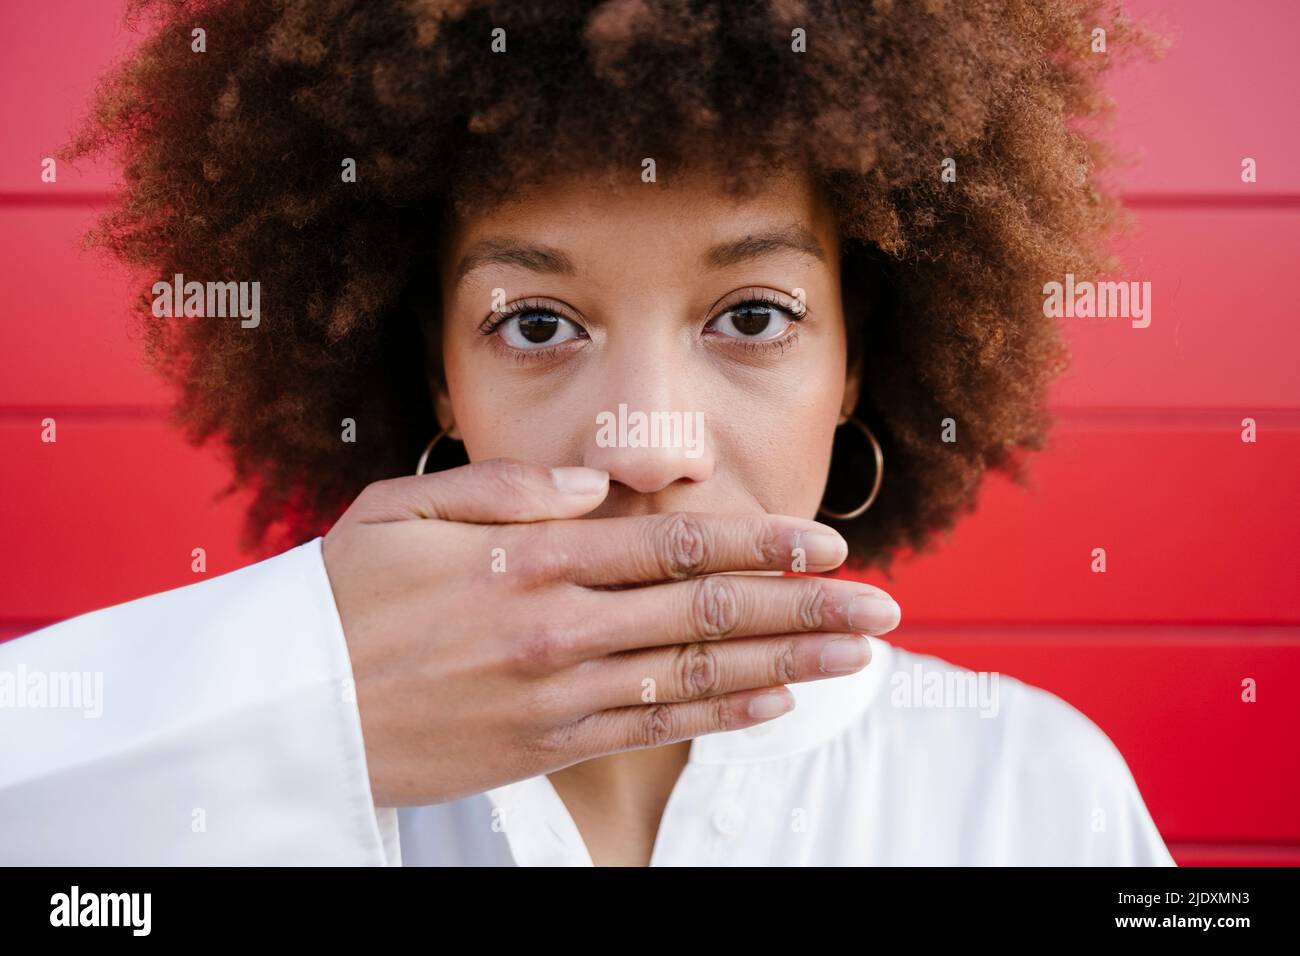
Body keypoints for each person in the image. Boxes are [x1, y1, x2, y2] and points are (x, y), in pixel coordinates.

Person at [0, 0, 1174, 866]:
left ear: (856, 359)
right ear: (437, 377)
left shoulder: (1031, 791)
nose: (648, 442)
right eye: (539, 322)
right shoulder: (218, 786)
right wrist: (303, 706)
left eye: (753, 314)